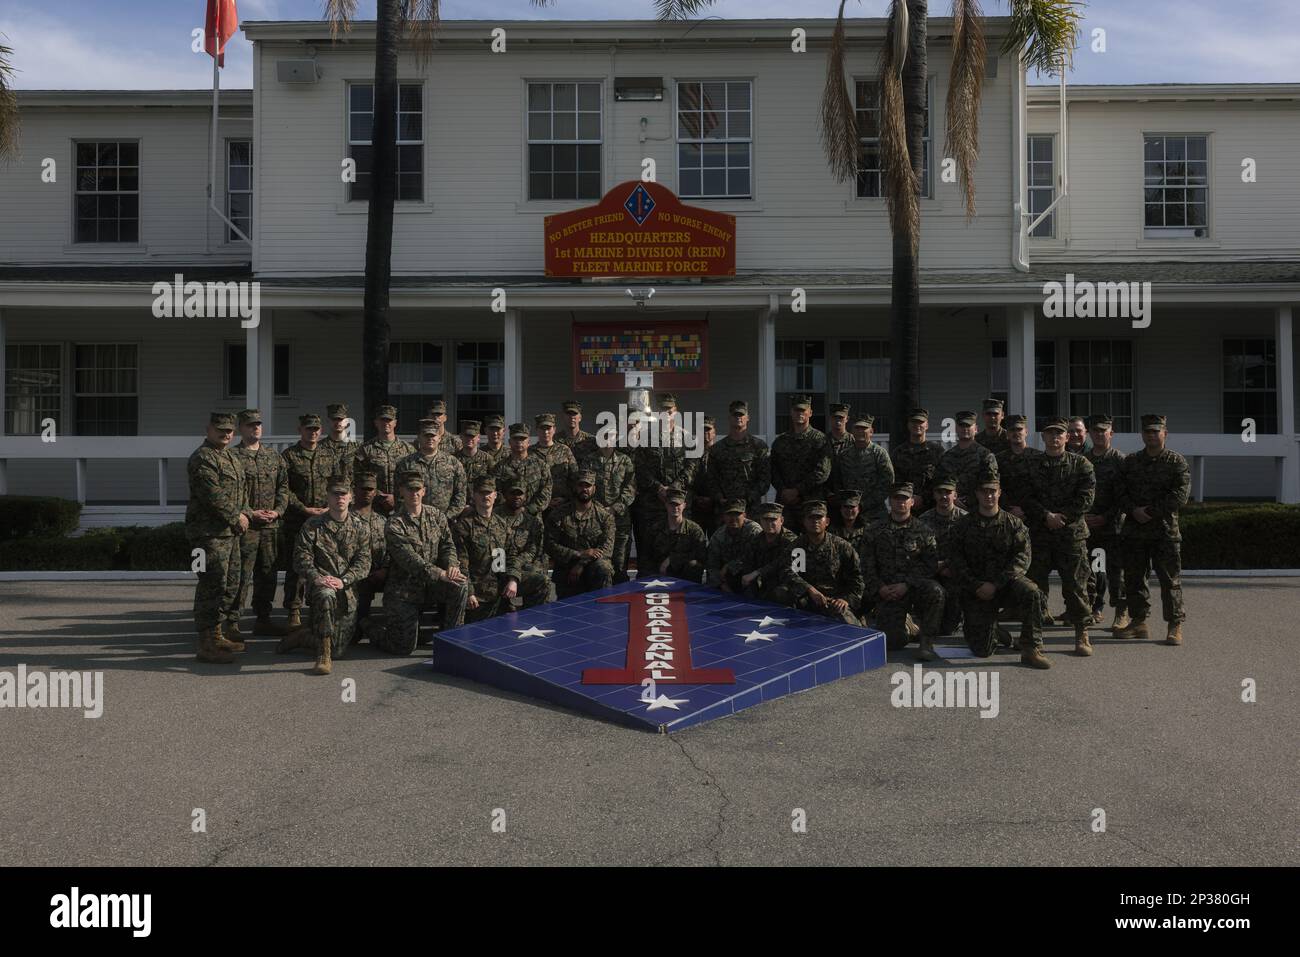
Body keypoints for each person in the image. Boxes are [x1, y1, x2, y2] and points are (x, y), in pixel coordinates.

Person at [947, 471, 1051, 669]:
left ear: (999, 493)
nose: (988, 496)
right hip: (976, 590)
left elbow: (1022, 558)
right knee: (982, 650)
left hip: (1005, 585)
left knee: (1032, 592)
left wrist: (996, 584)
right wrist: (977, 585)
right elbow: (955, 560)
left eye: (992, 491)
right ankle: (994, 630)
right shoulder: (963, 526)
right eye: (984, 491)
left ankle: (1031, 649)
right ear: (977, 494)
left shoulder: (1014, 524)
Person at [1023, 417, 1097, 656]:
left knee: (1076, 586)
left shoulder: (1081, 464)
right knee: (1036, 588)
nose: (1054, 438)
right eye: (1050, 433)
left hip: (1071, 536)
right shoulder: (1032, 464)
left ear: (1067, 437)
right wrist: (1046, 515)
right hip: (1040, 534)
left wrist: (1060, 517)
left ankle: (1081, 634)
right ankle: (1034, 637)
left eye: (1059, 434)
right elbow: (1027, 497)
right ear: (1042, 437)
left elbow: (1085, 498)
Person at [1115, 415, 1191, 646]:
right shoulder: (1132, 461)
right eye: (1147, 431)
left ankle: (1174, 625)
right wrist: (1133, 510)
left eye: (1155, 431)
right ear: (1142, 435)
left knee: (1170, 581)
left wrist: (1150, 511)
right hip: (1135, 532)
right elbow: (1119, 490)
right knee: (1135, 579)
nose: (1151, 435)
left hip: (1164, 532)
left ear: (1164, 434)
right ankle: (1138, 622)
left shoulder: (1175, 462)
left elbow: (1180, 495)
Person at [285, 475, 371, 675]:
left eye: (343, 494)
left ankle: (303, 637)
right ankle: (323, 656)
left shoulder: (360, 527)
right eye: (335, 494)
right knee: (326, 594)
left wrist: (344, 580)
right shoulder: (312, 525)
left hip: (347, 592)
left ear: (350, 497)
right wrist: (316, 577)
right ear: (328, 497)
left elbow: (364, 562)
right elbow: (300, 557)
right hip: (320, 587)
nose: (339, 498)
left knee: (339, 649)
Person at [375, 472, 469, 656]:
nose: (414, 494)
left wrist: (451, 565)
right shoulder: (394, 523)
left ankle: (451, 639)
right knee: (403, 647)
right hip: (405, 590)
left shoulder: (436, 516)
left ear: (424, 491)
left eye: (417, 489)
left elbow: (447, 545)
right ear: (401, 492)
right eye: (409, 489)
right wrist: (440, 573)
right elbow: (410, 560)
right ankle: (369, 627)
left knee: (460, 584)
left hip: (432, 585)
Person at [186, 412, 250, 664]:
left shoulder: (231, 456)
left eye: (229, 430)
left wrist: (244, 512)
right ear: (208, 429)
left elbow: (241, 490)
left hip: (229, 533)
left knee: (229, 585)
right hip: (207, 535)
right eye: (220, 429)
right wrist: (237, 517)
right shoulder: (202, 458)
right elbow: (213, 495)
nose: (226, 434)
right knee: (211, 585)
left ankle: (217, 634)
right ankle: (205, 644)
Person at [861, 482, 944, 661]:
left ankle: (926, 642)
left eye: (905, 498)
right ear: (890, 502)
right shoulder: (874, 530)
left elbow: (930, 564)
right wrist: (880, 587)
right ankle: (908, 626)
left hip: (913, 587)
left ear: (912, 502)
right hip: (888, 591)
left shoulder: (924, 530)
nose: (901, 502)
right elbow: (866, 564)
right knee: (893, 643)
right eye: (896, 498)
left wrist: (907, 584)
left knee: (935, 591)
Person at [230, 408, 289, 638]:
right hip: (247, 527)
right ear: (241, 429)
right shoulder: (233, 457)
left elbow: (283, 488)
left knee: (268, 574)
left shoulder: (274, 457)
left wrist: (277, 511)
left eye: (258, 424)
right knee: (241, 576)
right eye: (250, 425)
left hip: (270, 527)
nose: (256, 428)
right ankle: (233, 622)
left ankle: (263, 619)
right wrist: (249, 512)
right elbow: (232, 493)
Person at [453, 476, 536, 622]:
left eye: (489, 492)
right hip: (479, 594)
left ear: (495, 495)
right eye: (482, 493)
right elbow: (462, 564)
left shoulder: (501, 524)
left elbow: (511, 555)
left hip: (501, 588)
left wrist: (513, 579)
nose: (486, 496)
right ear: (474, 495)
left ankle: (531, 619)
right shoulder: (464, 526)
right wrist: (469, 593)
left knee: (540, 582)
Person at [281, 413, 334, 628]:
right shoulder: (289, 456)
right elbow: (284, 489)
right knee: (297, 568)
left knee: (324, 564)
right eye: (308, 429)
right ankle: (293, 610)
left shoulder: (328, 454)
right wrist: (304, 509)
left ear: (320, 431)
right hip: (298, 520)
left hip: (325, 520)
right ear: (300, 430)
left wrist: (331, 507)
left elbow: (340, 481)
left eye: (316, 429)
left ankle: (319, 608)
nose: (312, 432)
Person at [631, 393, 698, 562]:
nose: (666, 414)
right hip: (651, 505)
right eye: (662, 410)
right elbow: (639, 467)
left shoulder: (687, 438)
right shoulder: (644, 437)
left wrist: (674, 487)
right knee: (648, 552)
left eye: (670, 410)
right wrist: (658, 488)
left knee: (679, 551)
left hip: (677, 504)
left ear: (676, 412)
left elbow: (692, 467)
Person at [1084, 414, 1129, 632]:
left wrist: (1105, 517)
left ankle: (1121, 613)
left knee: (1116, 571)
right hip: (1089, 527)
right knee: (1092, 570)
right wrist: (1084, 517)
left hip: (1113, 527)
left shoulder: (1120, 460)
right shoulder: (1084, 460)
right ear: (1089, 433)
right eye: (1096, 430)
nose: (1099, 434)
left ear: (1111, 433)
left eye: (1104, 430)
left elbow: (1125, 497)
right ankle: (1094, 608)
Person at [787, 500, 864, 625]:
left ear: (827, 521)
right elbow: (793, 573)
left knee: (851, 628)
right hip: (808, 598)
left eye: (819, 517)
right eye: (811, 518)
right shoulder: (799, 547)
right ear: (804, 522)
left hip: (835, 600)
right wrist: (810, 590)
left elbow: (858, 577)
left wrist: (846, 600)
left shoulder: (842, 547)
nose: (815, 521)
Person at [545, 470, 616, 596]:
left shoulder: (604, 516)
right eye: (580, 485)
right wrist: (578, 554)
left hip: (593, 566)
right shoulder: (558, 515)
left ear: (594, 488)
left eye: (588, 486)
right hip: (567, 567)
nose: (584, 489)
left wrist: (581, 563)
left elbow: (606, 548)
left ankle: (603, 611)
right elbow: (549, 545)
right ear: (574, 487)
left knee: (604, 568)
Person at [580, 430, 636, 583]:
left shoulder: (625, 460)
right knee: (598, 563)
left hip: (620, 519)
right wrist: (599, 510)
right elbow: (585, 488)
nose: (608, 439)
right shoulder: (589, 461)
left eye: (611, 436)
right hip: (596, 520)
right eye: (604, 436)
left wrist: (614, 508)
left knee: (620, 563)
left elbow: (630, 488)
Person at [917, 477, 967, 637]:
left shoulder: (966, 520)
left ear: (955, 495)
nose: (944, 496)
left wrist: (948, 565)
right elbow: (916, 553)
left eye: (948, 492)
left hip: (956, 573)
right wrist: (936, 568)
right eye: (940, 492)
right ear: (934, 495)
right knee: (934, 591)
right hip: (931, 574)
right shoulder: (923, 520)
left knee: (948, 630)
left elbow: (972, 552)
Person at [770, 394, 832, 521]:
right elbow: (772, 469)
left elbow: (822, 472)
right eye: (796, 410)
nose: (800, 413)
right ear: (791, 412)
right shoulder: (781, 441)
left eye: (803, 410)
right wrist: (784, 491)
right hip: (785, 503)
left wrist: (797, 491)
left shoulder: (821, 440)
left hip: (811, 504)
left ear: (810, 413)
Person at [706, 399, 771, 514]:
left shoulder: (759, 446)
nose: (738, 417)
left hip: (750, 509)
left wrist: (749, 498)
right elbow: (711, 479)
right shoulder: (717, 449)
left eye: (741, 414)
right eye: (735, 415)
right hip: (725, 509)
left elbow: (764, 479)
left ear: (748, 418)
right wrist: (719, 497)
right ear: (729, 418)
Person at [498, 479, 555, 607]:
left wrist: (514, 570)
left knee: (542, 579)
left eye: (520, 494)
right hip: (497, 565)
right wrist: (508, 573)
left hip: (520, 565)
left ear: (525, 496)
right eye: (512, 493)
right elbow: (495, 552)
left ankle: (531, 615)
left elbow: (533, 551)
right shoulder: (494, 517)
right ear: (505, 495)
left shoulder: (533, 522)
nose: (516, 497)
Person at [830, 413, 894, 522]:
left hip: (874, 512)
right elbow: (837, 481)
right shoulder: (844, 454)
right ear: (852, 431)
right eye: (857, 428)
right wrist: (847, 503)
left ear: (871, 431)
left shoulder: (879, 453)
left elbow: (887, 482)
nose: (860, 431)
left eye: (864, 428)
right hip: (850, 512)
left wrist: (865, 504)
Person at [397, 420, 467, 519]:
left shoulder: (453, 463)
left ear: (439, 438)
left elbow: (460, 495)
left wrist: (446, 517)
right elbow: (399, 496)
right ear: (419, 437)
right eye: (426, 435)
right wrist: (410, 517)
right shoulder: (406, 464)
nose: (430, 439)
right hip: (413, 521)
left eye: (433, 436)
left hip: (445, 521)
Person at [353, 404, 415, 515]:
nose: (386, 423)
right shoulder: (366, 450)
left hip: (402, 507)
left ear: (395, 423)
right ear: (376, 423)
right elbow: (358, 477)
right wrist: (380, 496)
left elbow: (413, 478)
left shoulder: (408, 450)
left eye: (389, 420)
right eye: (382, 420)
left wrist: (395, 497)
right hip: (374, 507)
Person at [350, 469, 388, 634]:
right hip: (354, 575)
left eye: (370, 489)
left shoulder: (383, 520)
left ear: (375, 492)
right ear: (354, 490)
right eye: (362, 488)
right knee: (354, 631)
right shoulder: (345, 518)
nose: (366, 492)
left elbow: (392, 549)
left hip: (380, 573)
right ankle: (360, 624)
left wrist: (386, 570)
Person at [937, 410, 999, 510]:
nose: (965, 429)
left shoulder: (986, 455)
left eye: (968, 426)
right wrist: (954, 500)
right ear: (956, 429)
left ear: (976, 429)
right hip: (952, 509)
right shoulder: (947, 457)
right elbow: (941, 483)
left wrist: (970, 501)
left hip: (979, 509)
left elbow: (990, 485)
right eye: (961, 426)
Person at [890, 408, 945, 515]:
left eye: (921, 422)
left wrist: (924, 498)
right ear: (908, 425)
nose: (917, 425)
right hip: (905, 507)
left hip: (932, 508)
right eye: (914, 422)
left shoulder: (937, 451)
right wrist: (910, 497)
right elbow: (894, 480)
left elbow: (942, 479)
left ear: (927, 425)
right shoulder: (899, 452)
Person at [647, 487, 708, 582]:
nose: (675, 508)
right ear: (666, 505)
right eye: (671, 504)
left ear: (684, 505)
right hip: (660, 572)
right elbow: (647, 555)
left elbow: (701, 556)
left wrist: (673, 559)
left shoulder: (694, 529)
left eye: (678, 504)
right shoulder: (656, 528)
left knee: (693, 565)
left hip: (684, 573)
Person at [741, 502, 798, 604]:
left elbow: (784, 565)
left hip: (788, 584)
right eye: (765, 519)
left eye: (773, 520)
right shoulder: (756, 540)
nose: (769, 523)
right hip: (766, 583)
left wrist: (757, 572)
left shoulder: (791, 541)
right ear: (760, 521)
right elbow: (748, 563)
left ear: (781, 520)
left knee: (781, 593)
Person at [493, 422, 552, 517]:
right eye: (515, 439)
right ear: (509, 442)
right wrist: (510, 508)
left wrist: (529, 509)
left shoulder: (541, 466)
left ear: (528, 442)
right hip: (505, 517)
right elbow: (495, 492)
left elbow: (546, 493)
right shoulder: (500, 467)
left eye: (522, 439)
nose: (519, 442)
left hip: (532, 518)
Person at [706, 499, 762, 592]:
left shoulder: (754, 531)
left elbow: (754, 559)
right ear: (724, 517)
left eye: (737, 515)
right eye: (729, 515)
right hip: (727, 578)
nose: (733, 519)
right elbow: (711, 565)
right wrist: (722, 585)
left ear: (744, 515)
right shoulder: (718, 536)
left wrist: (729, 566)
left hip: (749, 576)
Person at [994, 414, 1042, 521]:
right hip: (1006, 514)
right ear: (1007, 434)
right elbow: (995, 485)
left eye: (1019, 429)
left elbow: (1042, 488)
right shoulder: (998, 459)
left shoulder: (1039, 457)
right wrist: (1009, 508)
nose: (1016, 433)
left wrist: (1026, 509)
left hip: (1034, 515)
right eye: (1012, 430)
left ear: (1026, 432)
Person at [532, 412, 578, 513]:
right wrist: (545, 502)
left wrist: (566, 498)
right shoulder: (530, 453)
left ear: (554, 430)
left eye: (548, 428)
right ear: (537, 430)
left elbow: (575, 478)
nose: (546, 432)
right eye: (542, 428)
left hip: (563, 505)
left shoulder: (564, 450)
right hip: (537, 507)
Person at [691, 415, 718, 536]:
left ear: (714, 432)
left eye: (708, 429)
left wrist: (713, 498)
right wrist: (696, 498)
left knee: (716, 544)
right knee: (696, 544)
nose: (705, 432)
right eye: (702, 429)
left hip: (716, 507)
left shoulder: (722, 453)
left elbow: (727, 479)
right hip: (695, 507)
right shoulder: (690, 454)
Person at [322, 402, 360, 481]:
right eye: (334, 419)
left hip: (350, 492)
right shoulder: (319, 447)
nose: (338, 422)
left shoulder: (357, 447)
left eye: (341, 419)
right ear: (328, 421)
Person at [454, 420, 495, 488]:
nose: (469, 439)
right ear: (461, 436)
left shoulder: (487, 459)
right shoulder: (453, 459)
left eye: (472, 436)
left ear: (478, 437)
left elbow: (493, 484)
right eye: (466, 435)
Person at [828, 490, 870, 554]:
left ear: (859, 509)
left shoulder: (868, 529)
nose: (849, 510)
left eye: (852, 507)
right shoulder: (832, 530)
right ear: (840, 509)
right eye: (846, 507)